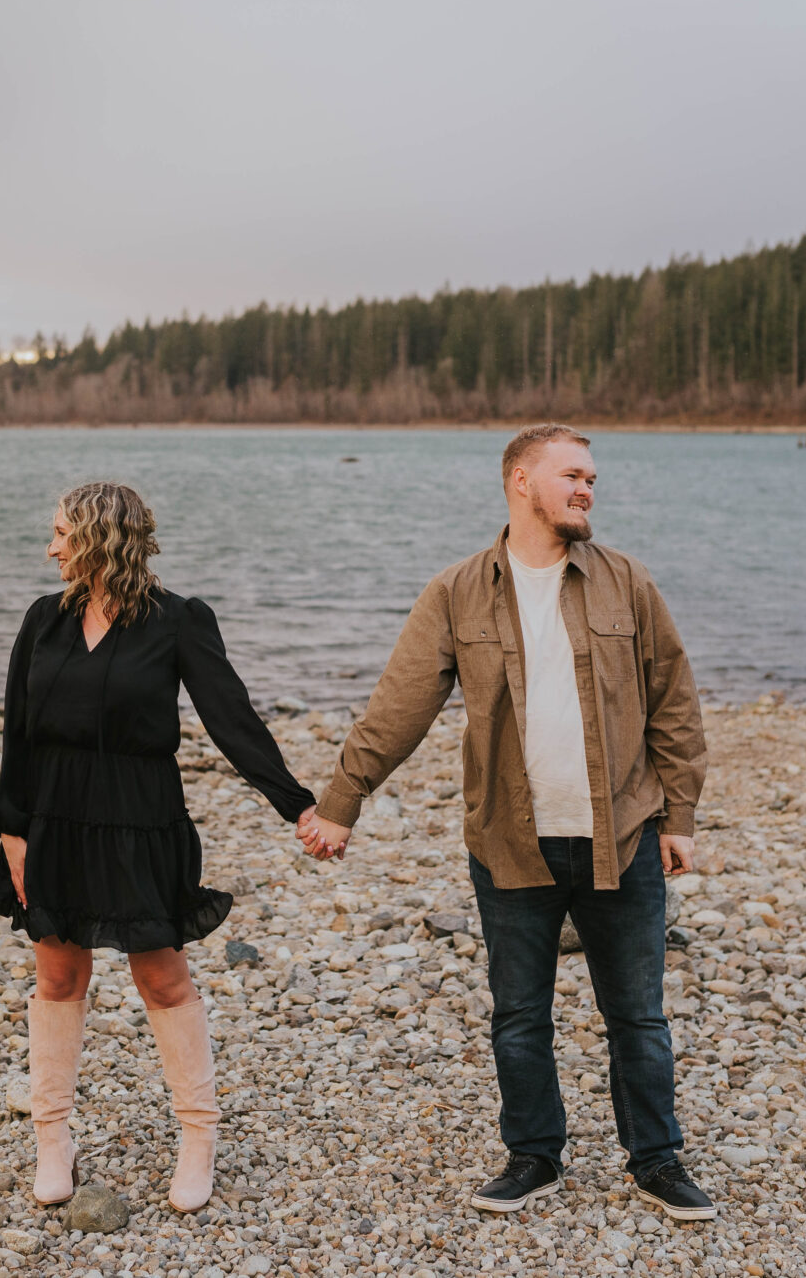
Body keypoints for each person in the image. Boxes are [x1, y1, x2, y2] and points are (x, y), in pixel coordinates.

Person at [297, 424, 716, 1221]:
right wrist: (342, 801)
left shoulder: (627, 581)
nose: (587, 488)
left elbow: (674, 699)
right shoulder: (457, 592)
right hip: (509, 840)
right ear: (521, 480)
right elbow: (400, 705)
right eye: (572, 475)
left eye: (592, 477)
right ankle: (534, 1155)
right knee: (519, 1015)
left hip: (622, 837)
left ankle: (657, 1159)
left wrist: (681, 814)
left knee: (637, 1016)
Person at [0, 481, 318, 1214]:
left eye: (61, 535)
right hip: (54, 818)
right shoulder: (44, 619)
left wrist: (298, 805)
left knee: (162, 977)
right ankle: (52, 1140)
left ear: (100, 539)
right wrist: (12, 829)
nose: (50, 549)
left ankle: (198, 1137)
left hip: (140, 818)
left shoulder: (178, 621)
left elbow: (232, 719)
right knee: (57, 976)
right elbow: (18, 730)